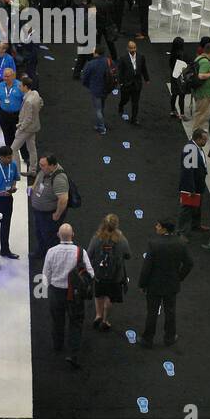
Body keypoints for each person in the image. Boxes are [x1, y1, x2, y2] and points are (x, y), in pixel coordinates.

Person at [42, 223, 94, 369]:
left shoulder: (51, 252)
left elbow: (45, 275)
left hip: (56, 292)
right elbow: (91, 273)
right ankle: (73, 353)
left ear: (58, 235)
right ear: (73, 235)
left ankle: (57, 345)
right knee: (75, 323)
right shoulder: (80, 252)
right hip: (75, 294)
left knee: (57, 320)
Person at [138, 219, 193, 348]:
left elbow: (146, 268)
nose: (156, 227)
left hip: (154, 285)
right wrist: (179, 277)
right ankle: (169, 337)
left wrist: (142, 284)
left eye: (158, 225)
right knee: (170, 311)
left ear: (164, 229)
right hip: (171, 284)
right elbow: (189, 263)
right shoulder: (181, 243)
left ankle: (147, 339)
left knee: (152, 312)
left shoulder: (153, 244)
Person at [88, 213, 132, 331]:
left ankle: (98, 315)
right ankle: (105, 320)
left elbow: (89, 254)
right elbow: (128, 255)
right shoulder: (121, 240)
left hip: (99, 274)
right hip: (115, 276)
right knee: (110, 297)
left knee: (99, 294)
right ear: (116, 225)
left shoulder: (97, 238)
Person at [29, 154, 71, 259]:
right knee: (39, 232)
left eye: (43, 165)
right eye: (40, 164)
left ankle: (53, 257)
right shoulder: (44, 171)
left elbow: (63, 199)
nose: (40, 167)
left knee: (50, 236)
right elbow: (38, 181)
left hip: (49, 214)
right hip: (38, 211)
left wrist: (57, 214)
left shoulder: (59, 178)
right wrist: (32, 188)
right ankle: (41, 251)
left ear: (52, 165)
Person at [178, 129, 209, 240]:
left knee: (197, 207)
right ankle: (182, 232)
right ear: (198, 139)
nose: (206, 142)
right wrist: (190, 188)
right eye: (204, 140)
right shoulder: (190, 149)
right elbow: (187, 171)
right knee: (186, 209)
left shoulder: (196, 147)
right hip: (191, 187)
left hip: (198, 185)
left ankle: (195, 225)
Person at [11, 75, 42, 177]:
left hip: (26, 128)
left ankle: (17, 172)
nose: (19, 87)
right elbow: (41, 103)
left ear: (25, 87)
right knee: (32, 149)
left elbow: (28, 119)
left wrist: (20, 127)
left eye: (21, 85)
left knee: (13, 149)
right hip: (34, 126)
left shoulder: (28, 101)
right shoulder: (35, 94)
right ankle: (33, 170)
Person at [116, 39, 150, 125]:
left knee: (135, 102)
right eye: (131, 48)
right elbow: (119, 71)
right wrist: (121, 82)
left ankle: (134, 119)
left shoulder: (141, 57)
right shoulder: (123, 58)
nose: (133, 50)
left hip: (137, 84)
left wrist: (147, 79)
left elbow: (143, 68)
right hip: (126, 84)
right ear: (127, 48)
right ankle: (121, 105)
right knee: (125, 99)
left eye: (134, 48)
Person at [0, 66, 24, 153]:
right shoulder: (0, 86)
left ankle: (25, 156)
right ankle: (9, 153)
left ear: (13, 76)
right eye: (4, 76)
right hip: (4, 115)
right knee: (7, 135)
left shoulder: (20, 85)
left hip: (17, 115)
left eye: (8, 76)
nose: (5, 78)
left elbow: (26, 101)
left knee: (20, 136)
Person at [80, 45, 110, 134]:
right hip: (106, 89)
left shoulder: (91, 64)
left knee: (98, 109)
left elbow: (85, 77)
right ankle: (99, 123)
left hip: (96, 89)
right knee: (102, 107)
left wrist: (88, 85)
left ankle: (101, 127)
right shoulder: (108, 61)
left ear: (96, 53)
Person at [190, 43, 210, 133]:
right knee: (201, 114)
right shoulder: (205, 62)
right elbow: (201, 76)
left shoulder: (199, 58)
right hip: (204, 93)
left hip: (199, 91)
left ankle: (199, 129)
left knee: (203, 113)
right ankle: (196, 132)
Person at [167, 37, 190, 120]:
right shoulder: (182, 54)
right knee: (181, 95)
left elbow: (171, 65)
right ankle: (182, 114)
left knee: (174, 94)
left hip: (174, 76)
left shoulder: (172, 53)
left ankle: (173, 110)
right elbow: (186, 66)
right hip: (181, 77)